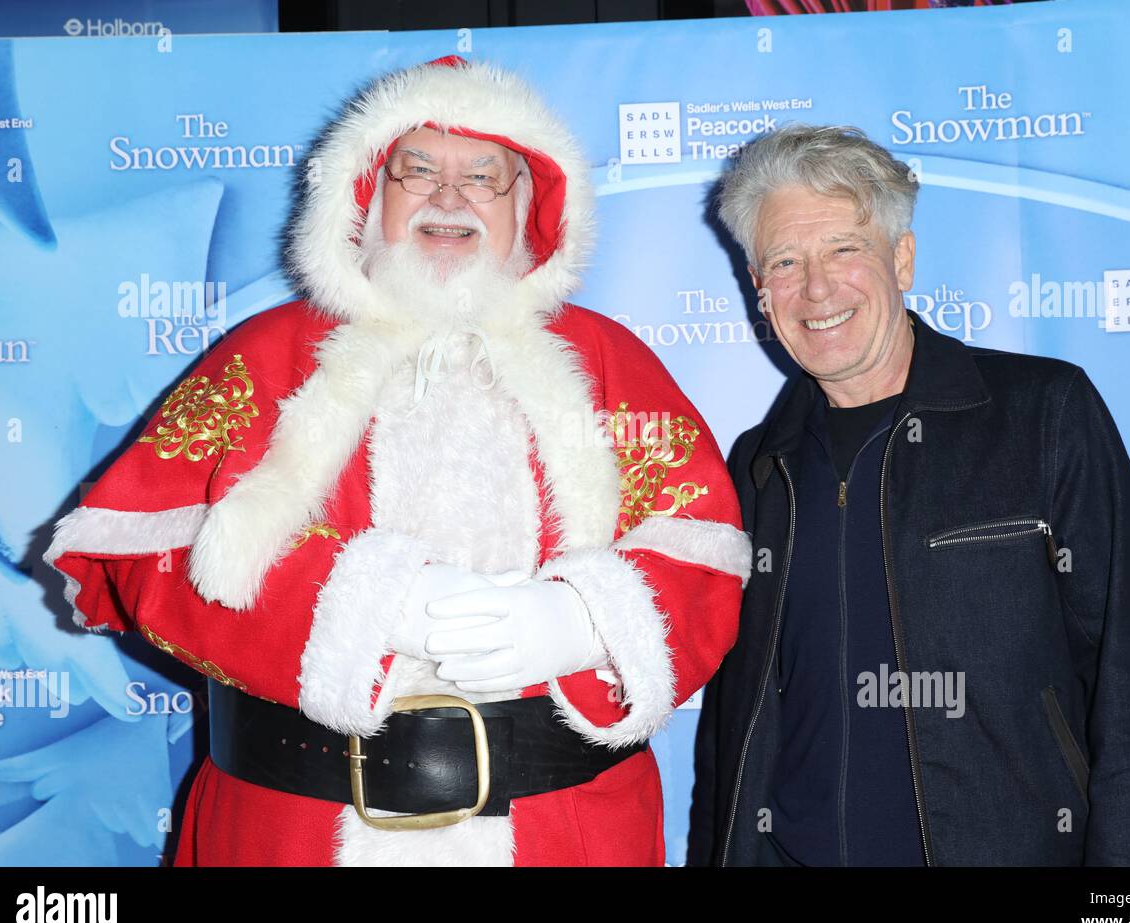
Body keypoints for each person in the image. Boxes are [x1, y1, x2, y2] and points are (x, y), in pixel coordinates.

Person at [44, 56, 752, 867]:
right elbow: (145, 556)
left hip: (565, 830)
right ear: (366, 198)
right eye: (417, 171)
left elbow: (704, 556)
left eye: (484, 177)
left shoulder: (609, 364)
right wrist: (366, 604)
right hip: (293, 829)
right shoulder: (265, 357)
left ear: (529, 208)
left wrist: (583, 621)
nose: (448, 198)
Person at [688, 124, 1130, 866]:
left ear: (902, 258)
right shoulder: (759, 464)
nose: (817, 288)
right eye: (785, 262)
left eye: (843, 250)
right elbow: (731, 728)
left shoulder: (1043, 414)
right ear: (760, 292)